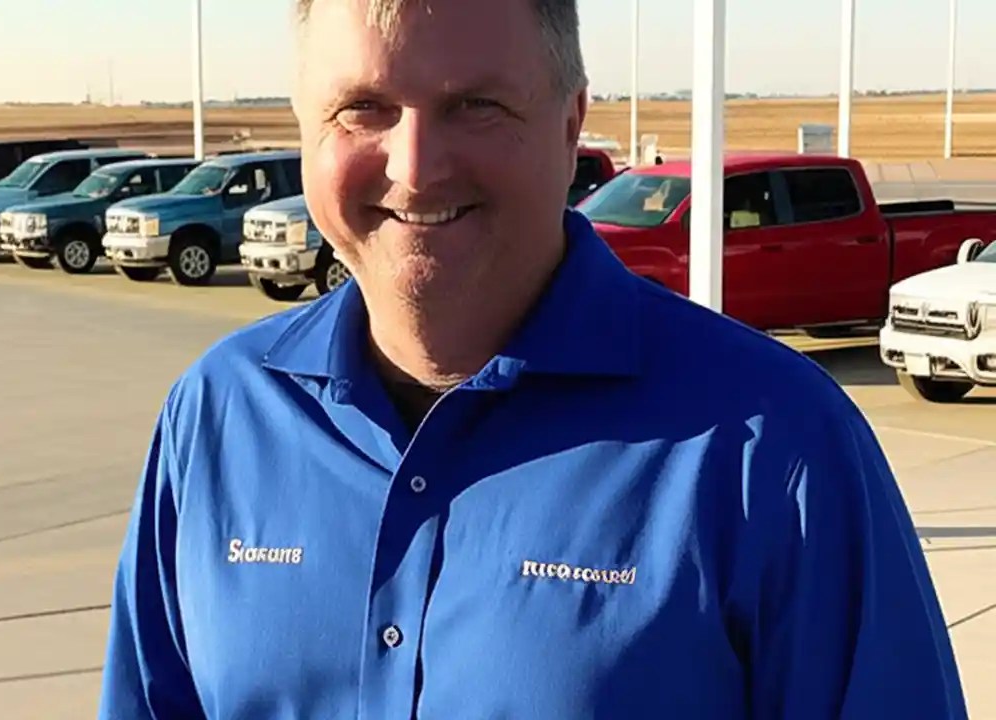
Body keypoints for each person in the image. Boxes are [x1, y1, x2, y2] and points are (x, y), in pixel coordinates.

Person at [98, 0, 968, 717]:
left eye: (476, 105)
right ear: (305, 129)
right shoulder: (218, 415)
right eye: (362, 107)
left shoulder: (774, 444)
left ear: (571, 124)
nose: (415, 168)